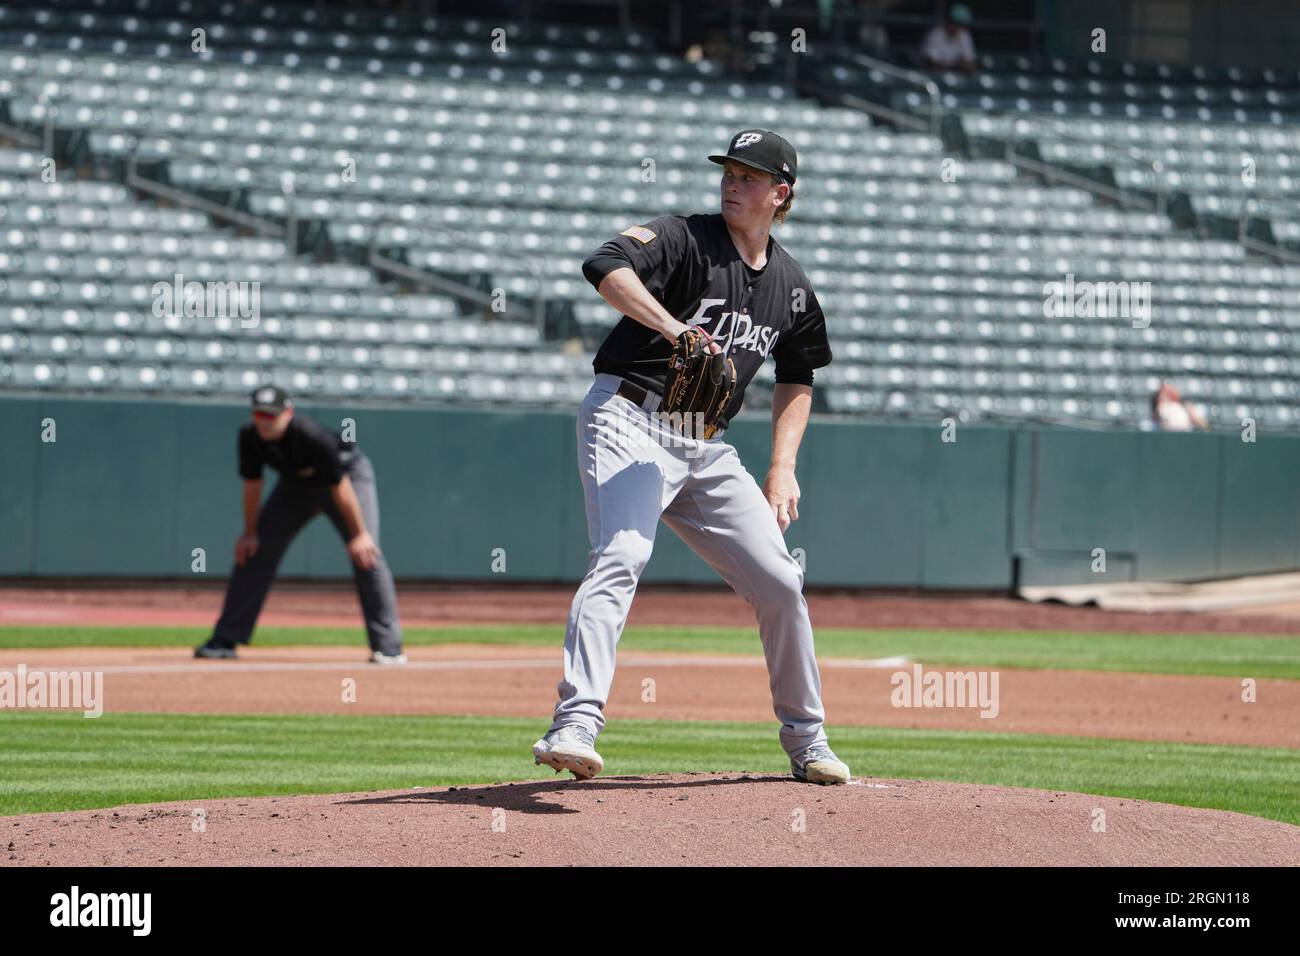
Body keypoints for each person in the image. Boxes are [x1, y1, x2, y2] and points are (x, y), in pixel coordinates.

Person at [531, 129, 850, 785]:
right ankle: (574, 726)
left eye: (750, 177)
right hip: (629, 414)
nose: (734, 184)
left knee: (780, 581)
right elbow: (605, 265)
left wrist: (781, 465)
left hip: (702, 440)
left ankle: (808, 741)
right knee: (623, 553)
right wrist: (674, 328)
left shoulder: (790, 285)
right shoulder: (684, 237)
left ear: (780, 193)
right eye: (729, 172)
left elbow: (798, 375)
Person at [194, 386, 406, 663]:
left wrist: (359, 534)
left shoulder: (311, 435)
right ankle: (225, 639)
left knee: (366, 555)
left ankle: (389, 647)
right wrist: (249, 532)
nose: (265, 421)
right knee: (254, 551)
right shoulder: (250, 436)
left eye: (272, 415)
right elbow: (252, 485)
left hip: (347, 478)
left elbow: (340, 486)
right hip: (295, 486)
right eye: (259, 414)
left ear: (288, 413)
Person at [921, 3, 977, 72]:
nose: (959, 28)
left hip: (955, 76)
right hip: (934, 75)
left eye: (962, 25)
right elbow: (931, 63)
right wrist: (956, 64)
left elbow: (970, 64)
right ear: (949, 21)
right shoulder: (935, 34)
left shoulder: (964, 35)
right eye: (957, 24)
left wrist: (958, 64)